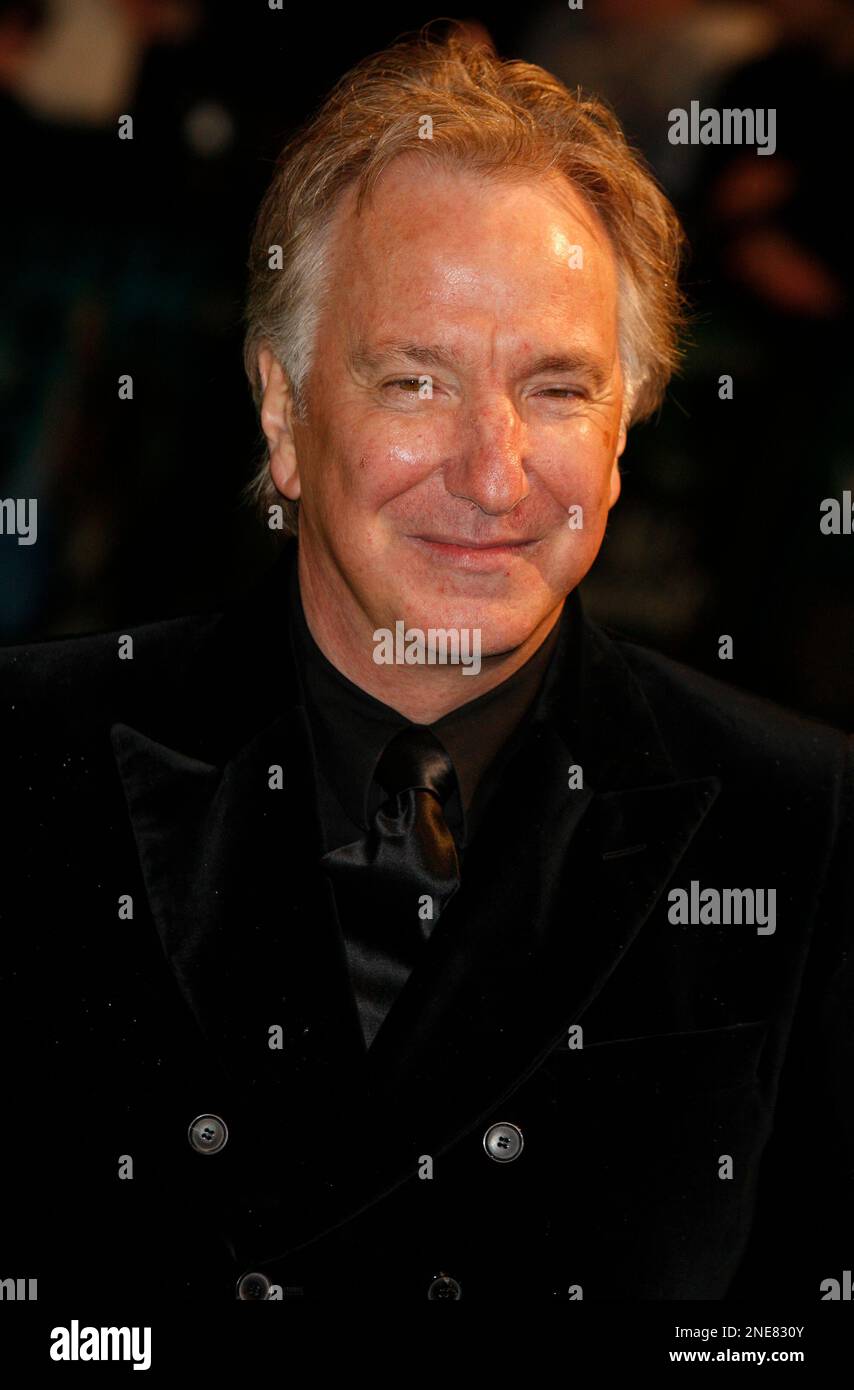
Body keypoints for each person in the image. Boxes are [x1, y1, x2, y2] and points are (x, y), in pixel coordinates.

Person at [2, 24, 851, 1303]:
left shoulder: (801, 826)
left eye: (558, 390)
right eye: (414, 381)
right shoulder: (29, 762)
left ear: (624, 432)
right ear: (283, 411)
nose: (493, 475)